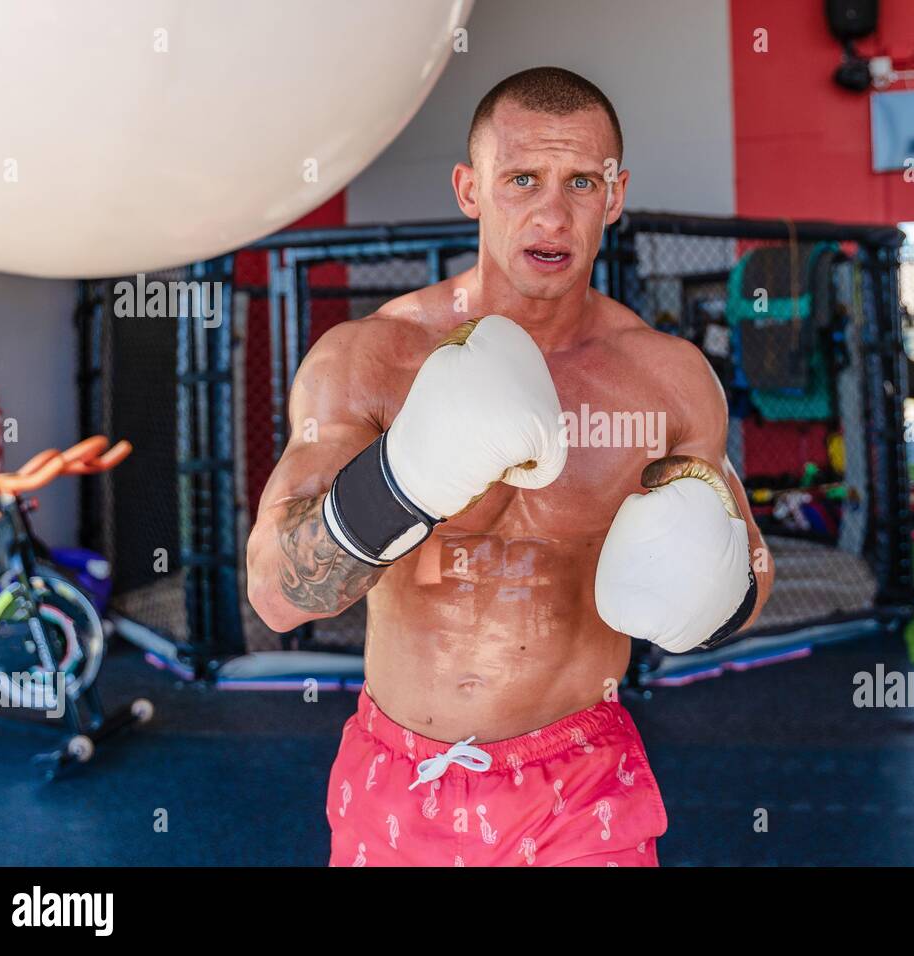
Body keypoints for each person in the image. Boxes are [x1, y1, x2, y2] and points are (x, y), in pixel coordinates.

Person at [246, 66, 773, 867]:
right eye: (522, 178)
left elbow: (754, 563)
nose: (553, 213)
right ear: (470, 188)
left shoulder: (666, 382)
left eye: (582, 182)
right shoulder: (370, 359)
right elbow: (277, 595)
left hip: (584, 784)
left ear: (616, 194)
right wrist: (404, 479)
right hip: (397, 779)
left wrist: (718, 593)